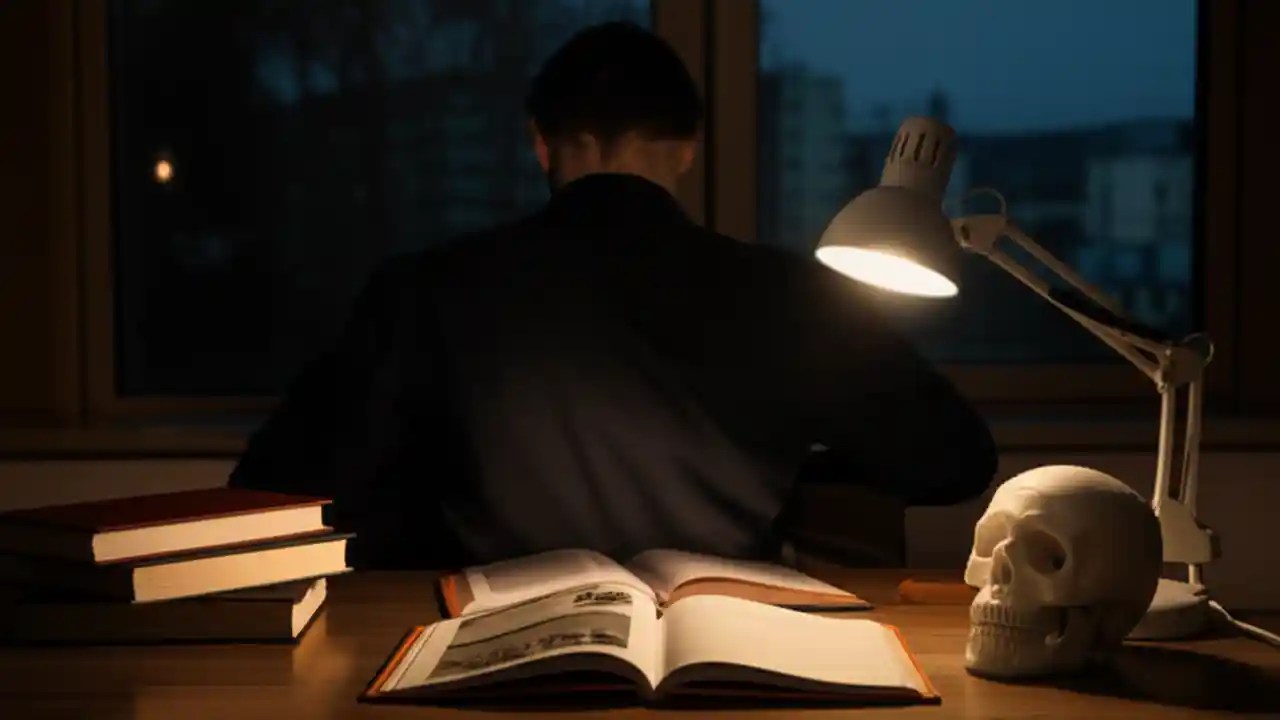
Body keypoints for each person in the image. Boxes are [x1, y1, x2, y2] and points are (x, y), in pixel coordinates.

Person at [229, 22, 996, 569]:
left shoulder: (427, 291)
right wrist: (793, 469)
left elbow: (278, 483)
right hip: (724, 662)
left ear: (541, 144)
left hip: (487, 656)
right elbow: (955, 460)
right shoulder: (789, 297)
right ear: (687, 149)